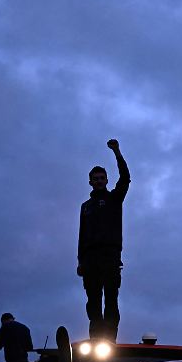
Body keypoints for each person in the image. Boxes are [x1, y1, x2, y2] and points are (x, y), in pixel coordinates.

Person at [78, 138, 129, 341]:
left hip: (110, 256)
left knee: (111, 298)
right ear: (90, 181)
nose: (99, 181)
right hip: (90, 259)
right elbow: (82, 235)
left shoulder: (115, 199)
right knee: (93, 300)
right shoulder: (85, 206)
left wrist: (117, 151)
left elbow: (125, 178)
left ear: (106, 180)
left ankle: (109, 340)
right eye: (95, 178)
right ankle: (96, 339)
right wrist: (80, 261)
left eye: (102, 178)